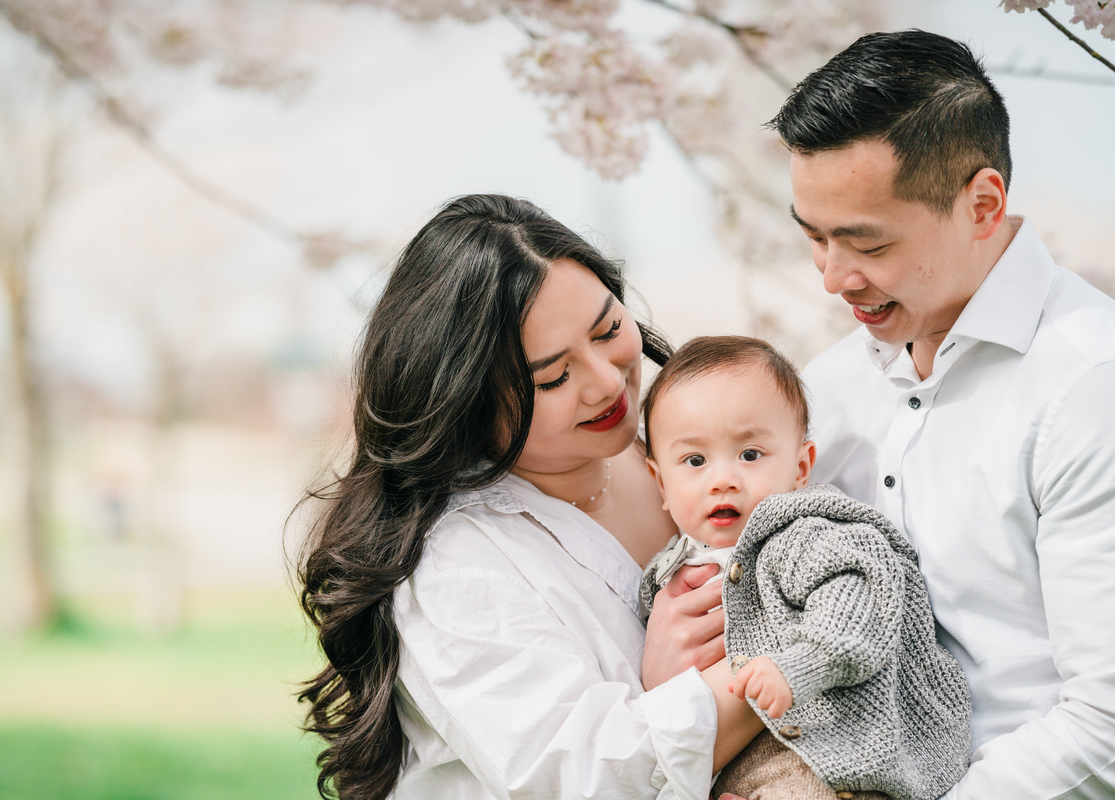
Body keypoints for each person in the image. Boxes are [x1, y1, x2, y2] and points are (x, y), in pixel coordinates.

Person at [295, 194, 763, 800]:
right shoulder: (455, 564)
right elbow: (586, 776)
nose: (604, 381)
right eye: (553, 377)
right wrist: (787, 656)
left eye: (608, 329)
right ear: (467, 403)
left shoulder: (686, 451)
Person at [769, 29, 1115, 798]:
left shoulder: (1090, 386)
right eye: (814, 238)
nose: (832, 278)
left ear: (983, 204)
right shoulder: (821, 395)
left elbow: (1106, 720)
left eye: (864, 242)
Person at [638, 335, 971, 800]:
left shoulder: (803, 536)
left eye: (750, 455)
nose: (723, 480)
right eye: (695, 461)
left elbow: (858, 608)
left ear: (800, 467)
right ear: (660, 481)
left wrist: (795, 666)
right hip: (742, 772)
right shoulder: (667, 575)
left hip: (838, 756)